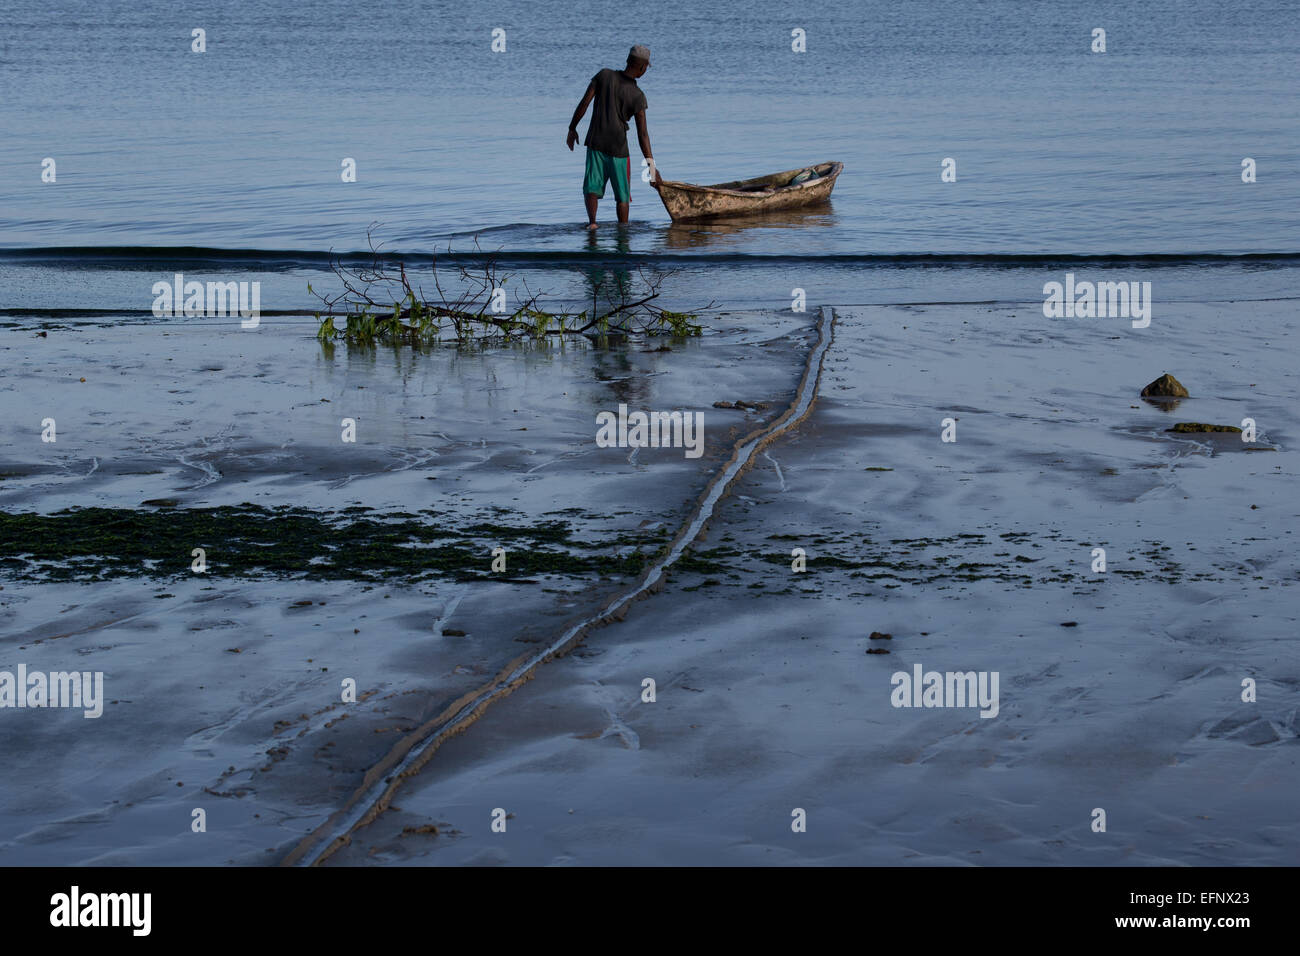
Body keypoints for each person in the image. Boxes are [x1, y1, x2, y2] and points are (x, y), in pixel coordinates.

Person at [566, 44, 662, 230]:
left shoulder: (604, 75)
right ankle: (623, 231)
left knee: (592, 189)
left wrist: (572, 128)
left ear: (627, 61)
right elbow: (642, 134)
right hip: (619, 150)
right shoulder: (638, 96)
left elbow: (584, 103)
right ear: (642, 69)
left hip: (596, 143)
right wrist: (651, 166)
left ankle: (592, 223)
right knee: (622, 197)